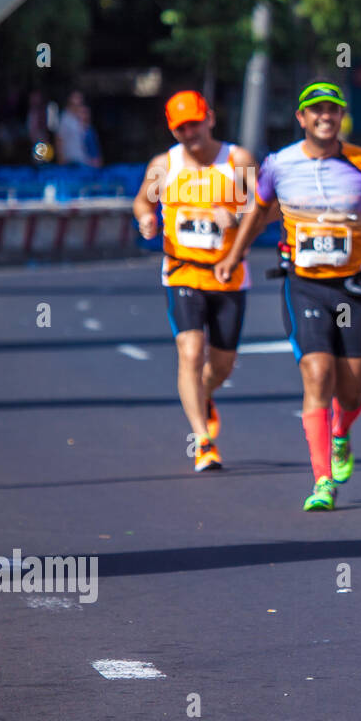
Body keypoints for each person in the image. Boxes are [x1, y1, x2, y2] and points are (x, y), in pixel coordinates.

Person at [214, 80, 361, 511]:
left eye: (332, 110)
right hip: (304, 285)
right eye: (316, 110)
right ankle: (322, 481)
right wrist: (233, 255)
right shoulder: (278, 165)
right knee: (317, 373)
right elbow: (258, 212)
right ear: (301, 118)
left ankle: (341, 433)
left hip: (353, 287)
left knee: (351, 392)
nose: (325, 117)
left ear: (341, 117)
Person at [133, 91, 259, 472]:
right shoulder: (164, 165)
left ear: (211, 119)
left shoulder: (238, 162)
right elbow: (143, 201)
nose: (190, 133)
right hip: (181, 271)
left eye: (195, 124)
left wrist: (235, 220)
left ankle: (204, 394)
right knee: (190, 352)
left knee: (221, 365)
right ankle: (203, 441)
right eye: (181, 128)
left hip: (228, 274)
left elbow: (263, 211)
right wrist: (146, 220)